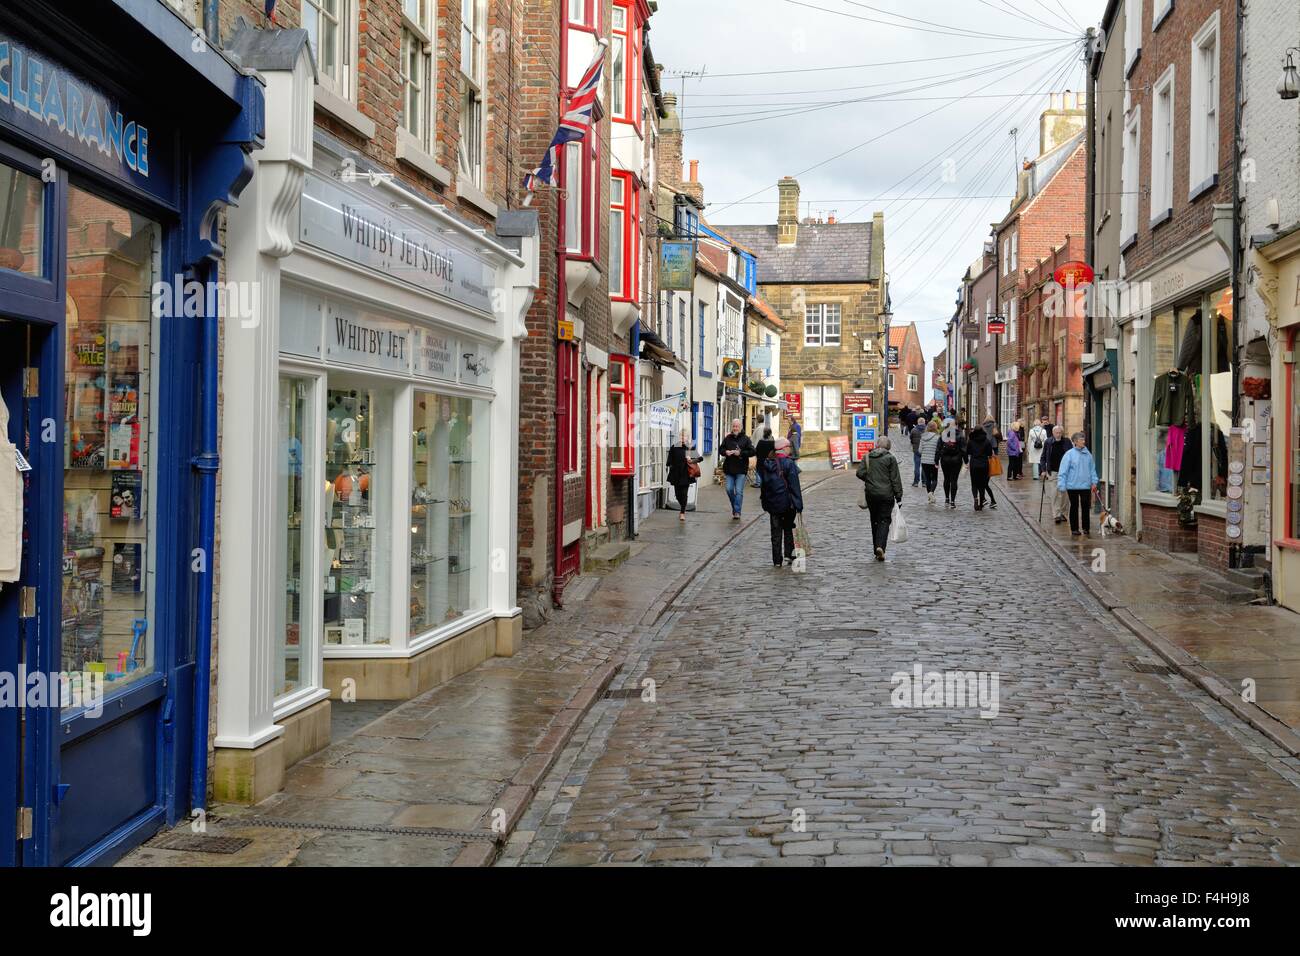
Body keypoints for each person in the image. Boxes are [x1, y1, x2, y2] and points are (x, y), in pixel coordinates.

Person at [856, 435, 904, 561]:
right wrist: (899, 496)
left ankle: (876, 549)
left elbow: (859, 473)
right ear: (888, 447)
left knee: (874, 520)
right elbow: (895, 479)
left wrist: (870, 478)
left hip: (871, 494)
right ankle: (880, 547)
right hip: (886, 495)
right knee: (884, 520)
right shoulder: (890, 458)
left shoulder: (867, 457)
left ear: (877, 445)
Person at [760, 437, 803, 567]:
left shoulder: (767, 463)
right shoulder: (788, 463)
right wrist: (799, 504)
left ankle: (777, 560)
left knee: (775, 531)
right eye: (788, 446)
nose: (790, 448)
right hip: (787, 503)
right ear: (783, 448)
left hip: (773, 503)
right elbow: (794, 485)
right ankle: (789, 555)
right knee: (788, 528)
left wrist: (765, 502)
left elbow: (764, 485)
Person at [1057, 432, 1100, 537]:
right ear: (1075, 442)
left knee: (1085, 506)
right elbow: (1063, 471)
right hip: (1072, 486)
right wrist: (1062, 485)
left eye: (1084, 439)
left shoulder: (1088, 454)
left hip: (1085, 485)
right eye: (1081, 440)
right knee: (1074, 507)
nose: (1083, 441)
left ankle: (1086, 528)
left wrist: (1094, 482)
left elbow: (1092, 470)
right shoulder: (1069, 454)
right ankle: (1074, 529)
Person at [719, 419, 755, 519]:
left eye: (737, 426)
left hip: (741, 469)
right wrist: (726, 452)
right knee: (729, 489)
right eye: (734, 426)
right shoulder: (728, 438)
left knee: (739, 491)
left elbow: (753, 451)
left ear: (741, 427)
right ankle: (735, 507)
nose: (735, 428)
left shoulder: (746, 439)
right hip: (729, 469)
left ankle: (737, 511)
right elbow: (721, 449)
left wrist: (741, 453)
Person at [665, 434, 704, 522]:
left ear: (687, 438)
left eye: (684, 436)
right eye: (681, 436)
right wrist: (670, 465)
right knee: (678, 495)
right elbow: (669, 460)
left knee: (684, 493)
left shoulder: (690, 448)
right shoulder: (674, 447)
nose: (683, 438)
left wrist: (692, 460)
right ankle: (683, 506)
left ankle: (682, 512)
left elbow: (700, 458)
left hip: (686, 474)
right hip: (676, 474)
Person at [1041, 425, 1070, 523]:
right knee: (1055, 493)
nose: (1058, 434)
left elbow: (1071, 455)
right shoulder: (1048, 442)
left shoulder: (1067, 442)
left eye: (1060, 433)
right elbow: (1043, 457)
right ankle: (1056, 514)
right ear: (1053, 433)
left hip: (1065, 472)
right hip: (1053, 471)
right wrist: (1043, 470)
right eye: (1056, 433)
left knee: (1064, 494)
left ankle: (1064, 513)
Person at [964, 426, 997, 510]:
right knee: (982, 484)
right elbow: (990, 453)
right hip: (984, 464)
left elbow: (967, 452)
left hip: (974, 464)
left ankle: (975, 498)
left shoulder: (971, 440)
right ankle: (981, 503)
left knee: (974, 483)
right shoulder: (986, 441)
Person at [938, 418, 966, 508]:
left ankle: (947, 499)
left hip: (945, 460)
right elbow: (963, 450)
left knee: (946, 479)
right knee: (954, 480)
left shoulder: (943, 435)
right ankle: (953, 501)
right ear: (956, 425)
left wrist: (936, 461)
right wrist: (966, 461)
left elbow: (938, 449)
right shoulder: (960, 436)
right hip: (956, 461)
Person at [919, 419, 941, 503]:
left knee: (927, 479)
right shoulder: (937, 437)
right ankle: (931, 493)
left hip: (924, 461)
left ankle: (929, 497)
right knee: (934, 479)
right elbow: (938, 450)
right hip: (933, 461)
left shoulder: (923, 436)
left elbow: (920, 450)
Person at [909, 416, 925, 486]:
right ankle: (924, 482)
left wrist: (914, 444)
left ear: (918, 422)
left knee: (917, 466)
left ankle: (916, 482)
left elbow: (911, 439)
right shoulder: (927, 430)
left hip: (916, 450)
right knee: (924, 467)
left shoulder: (914, 430)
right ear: (924, 422)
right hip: (925, 450)